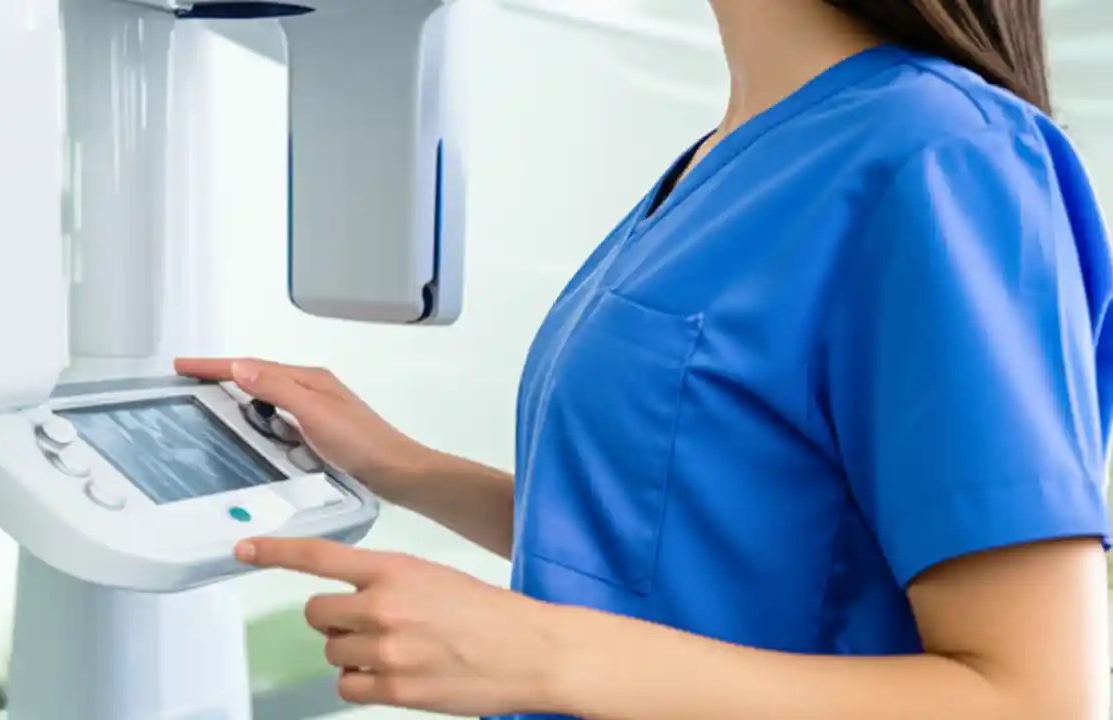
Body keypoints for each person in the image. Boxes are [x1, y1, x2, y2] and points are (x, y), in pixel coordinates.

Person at [179, 0, 1113, 717]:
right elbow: (695, 546)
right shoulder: (724, 157)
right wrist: (405, 467)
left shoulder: (938, 153)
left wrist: (541, 651)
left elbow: (1034, 697)